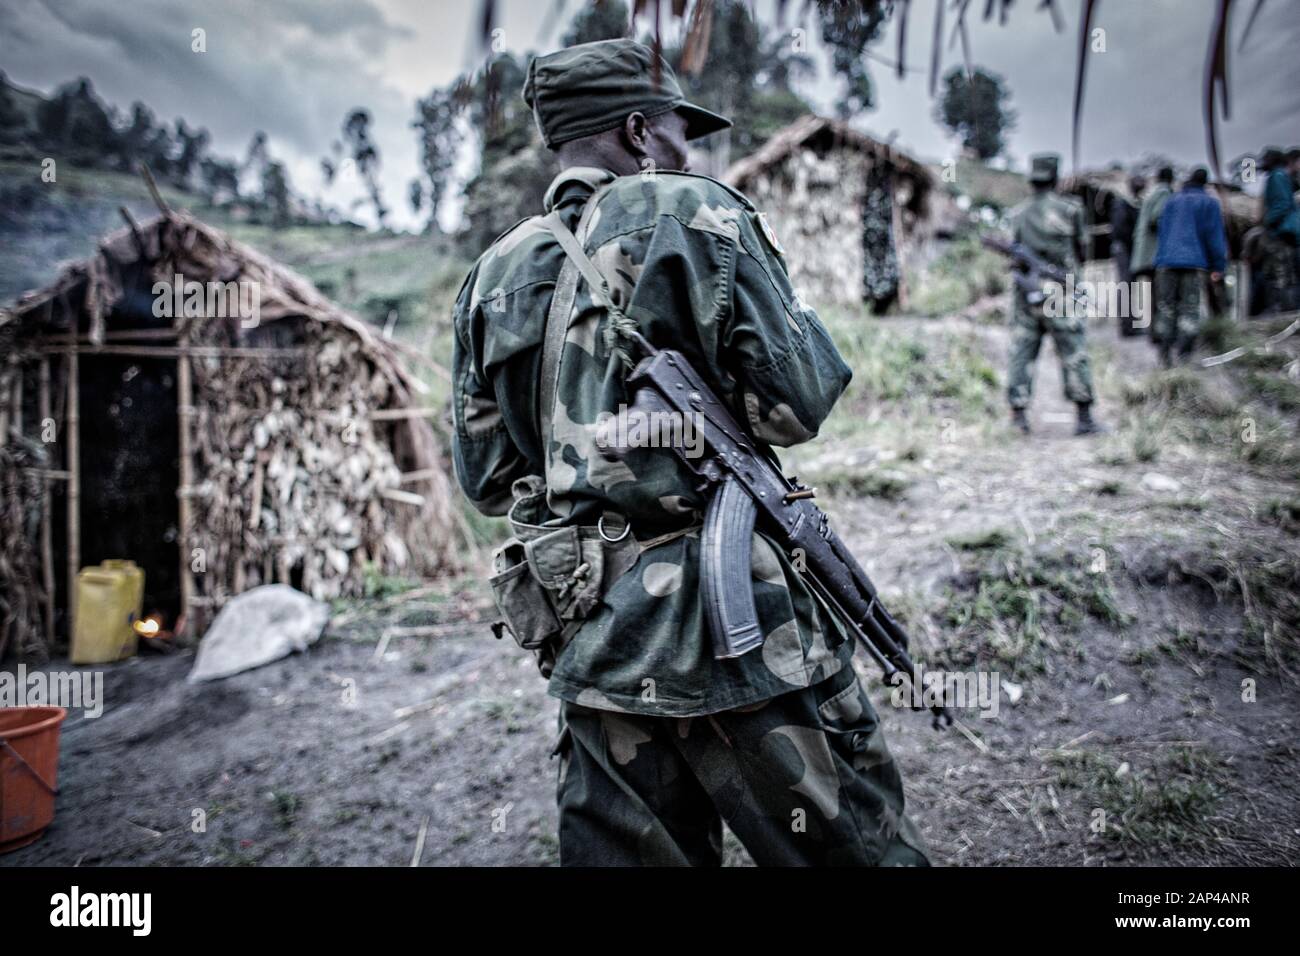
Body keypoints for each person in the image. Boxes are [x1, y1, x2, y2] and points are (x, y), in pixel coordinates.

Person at [450, 38, 929, 867]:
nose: (687, 148)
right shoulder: (697, 211)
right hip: (738, 628)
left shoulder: (493, 274)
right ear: (638, 131)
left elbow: (489, 480)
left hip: (595, 639)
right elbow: (798, 404)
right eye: (679, 130)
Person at [1005, 153, 1103, 436]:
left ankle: (1019, 417)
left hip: (1027, 296)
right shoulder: (1071, 210)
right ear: (1055, 178)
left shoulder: (1018, 214)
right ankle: (1084, 419)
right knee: (1073, 351)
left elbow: (1014, 255)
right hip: (1063, 294)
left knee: (1022, 352)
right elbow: (1083, 252)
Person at [1152, 167, 1228, 366]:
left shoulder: (1171, 201)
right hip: (1193, 263)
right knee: (1189, 309)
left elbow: (1161, 231)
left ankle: (1165, 355)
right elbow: (1214, 238)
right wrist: (1218, 266)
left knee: (1166, 308)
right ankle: (1184, 356)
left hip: (1166, 262)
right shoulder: (1209, 203)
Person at [1130, 166, 1174, 336]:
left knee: (1155, 295)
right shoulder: (1164, 193)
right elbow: (1157, 217)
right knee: (1161, 295)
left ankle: (1155, 331)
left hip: (1145, 253)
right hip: (1154, 253)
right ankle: (1159, 332)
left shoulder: (1152, 194)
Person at [1256, 146, 1299, 313]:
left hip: (1279, 232)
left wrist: (1267, 221)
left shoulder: (1277, 176)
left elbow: (1281, 205)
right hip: (1285, 232)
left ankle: (1282, 311)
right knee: (1285, 274)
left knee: (1279, 274)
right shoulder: (1284, 177)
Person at [1110, 175, 1145, 335]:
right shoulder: (1123, 204)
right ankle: (1127, 326)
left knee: (1129, 286)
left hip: (1130, 250)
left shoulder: (1136, 204)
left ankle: (1130, 323)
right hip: (1124, 249)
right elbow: (1120, 230)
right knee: (1125, 286)